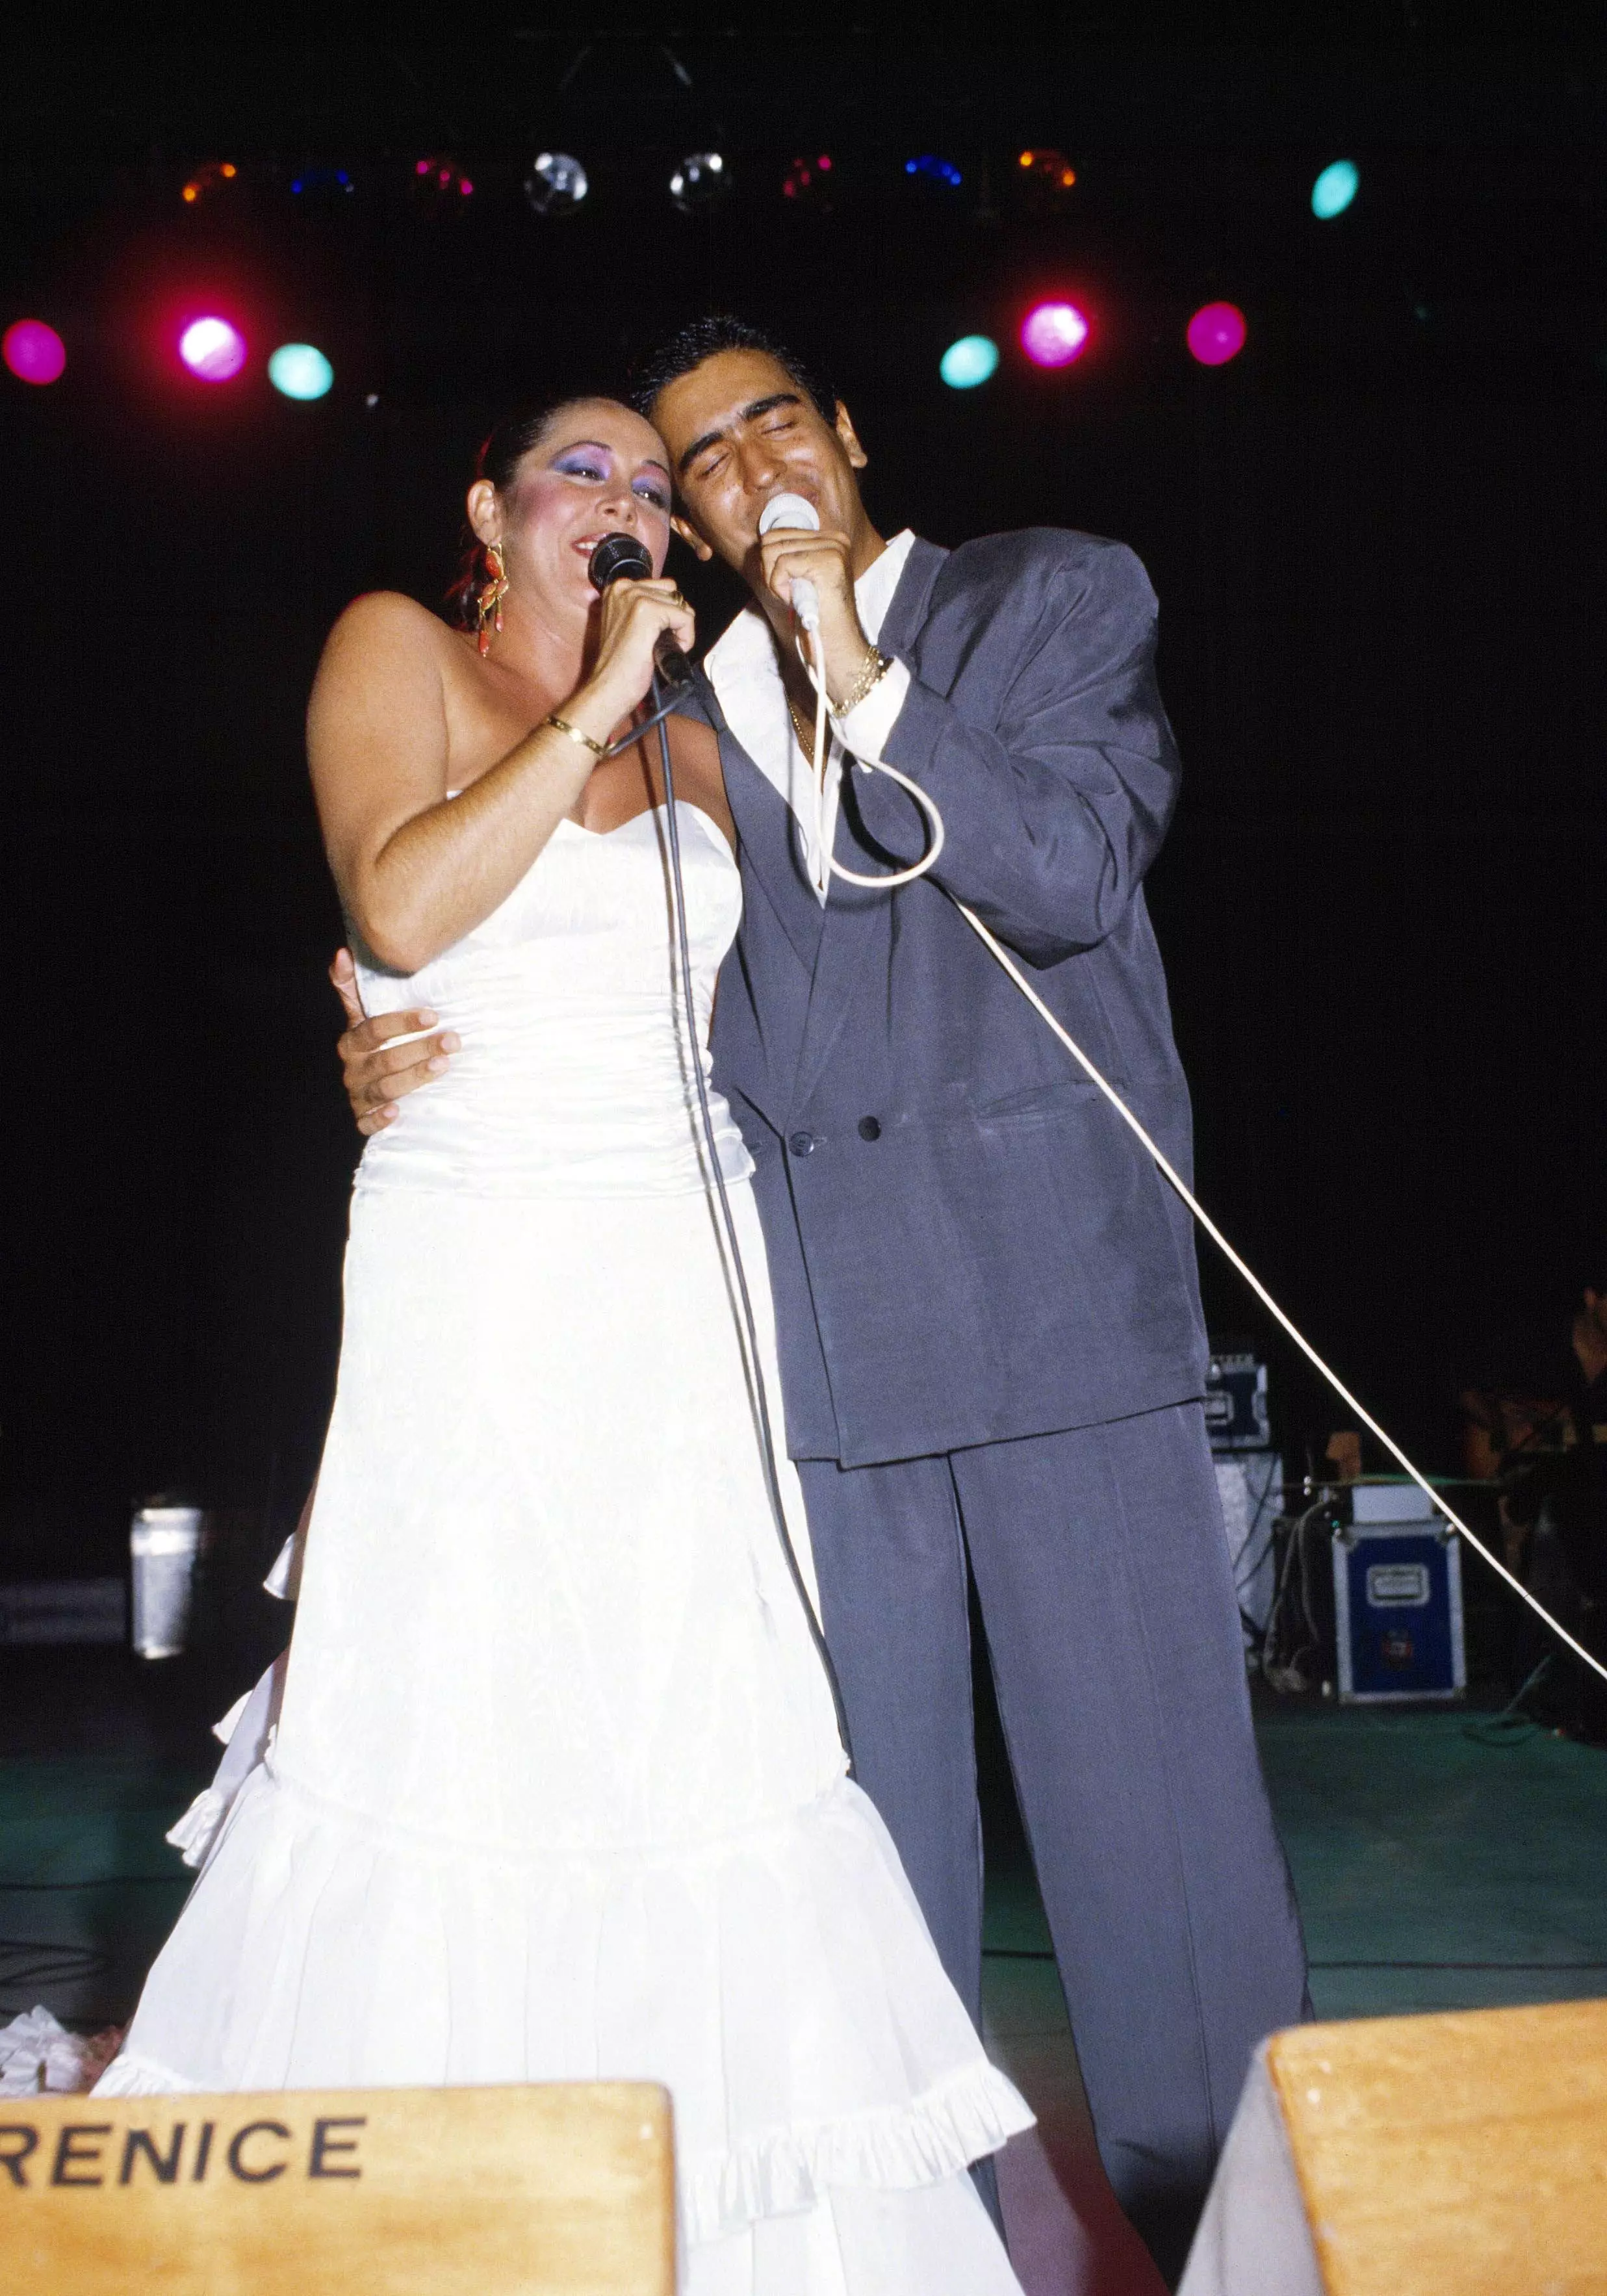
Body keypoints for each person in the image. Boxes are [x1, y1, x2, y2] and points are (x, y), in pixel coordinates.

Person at [337, 316, 1310, 2280]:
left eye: (771, 418)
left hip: (1050, 1326)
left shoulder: (1040, 596)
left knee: (1161, 1895)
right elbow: (576, 962)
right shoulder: (677, 719)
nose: (738, 465)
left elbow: (1061, 871)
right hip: (812, 1376)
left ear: (849, 432)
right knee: (862, 1905)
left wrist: (859, 667)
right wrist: (373, 1029)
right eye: (694, 456)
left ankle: (1255, 2257)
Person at [95, 390, 1033, 2296]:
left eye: (643, 482)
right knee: (464, 1706)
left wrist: (663, 704)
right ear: (492, 508)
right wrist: (592, 710)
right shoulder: (401, 648)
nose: (621, 500)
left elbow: (785, 998)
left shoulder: (707, 729)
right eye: (576, 471)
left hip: (677, 1275)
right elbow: (402, 897)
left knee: (692, 1723)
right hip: (478, 1260)